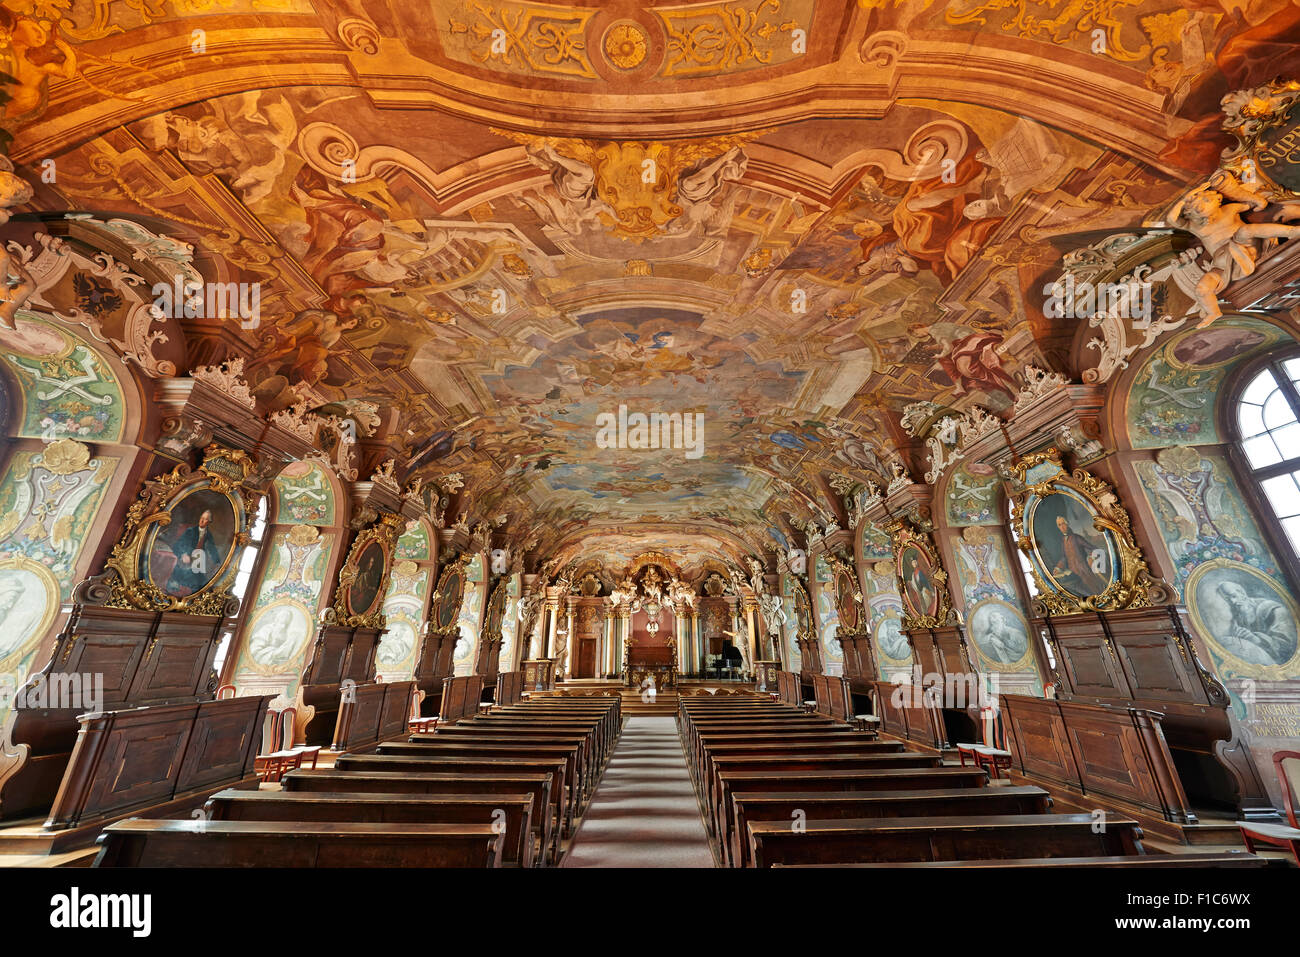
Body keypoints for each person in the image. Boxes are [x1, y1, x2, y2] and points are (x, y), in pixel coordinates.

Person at [1214, 580, 1296, 666]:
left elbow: (1285, 650)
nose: (1233, 602)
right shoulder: (1237, 615)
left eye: (1233, 596)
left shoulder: (1275, 610)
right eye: (1227, 599)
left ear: (1242, 593)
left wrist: (1254, 638)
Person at [165, 508, 224, 595]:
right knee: (181, 579)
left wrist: (217, 562)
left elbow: (212, 549)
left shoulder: (208, 534)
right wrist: (183, 554)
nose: (202, 520)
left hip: (198, 559)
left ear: (209, 522)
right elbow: (179, 544)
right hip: (186, 559)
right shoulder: (190, 531)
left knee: (200, 583)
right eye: (201, 518)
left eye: (205, 519)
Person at [1049, 514, 1109, 596]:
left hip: (1084, 570)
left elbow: (1093, 548)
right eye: (1060, 525)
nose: (1062, 527)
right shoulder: (1063, 541)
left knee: (1095, 590)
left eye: (1063, 523)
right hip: (1073, 572)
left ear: (1067, 524)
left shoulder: (1076, 538)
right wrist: (1058, 567)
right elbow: (1064, 557)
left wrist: (1091, 558)